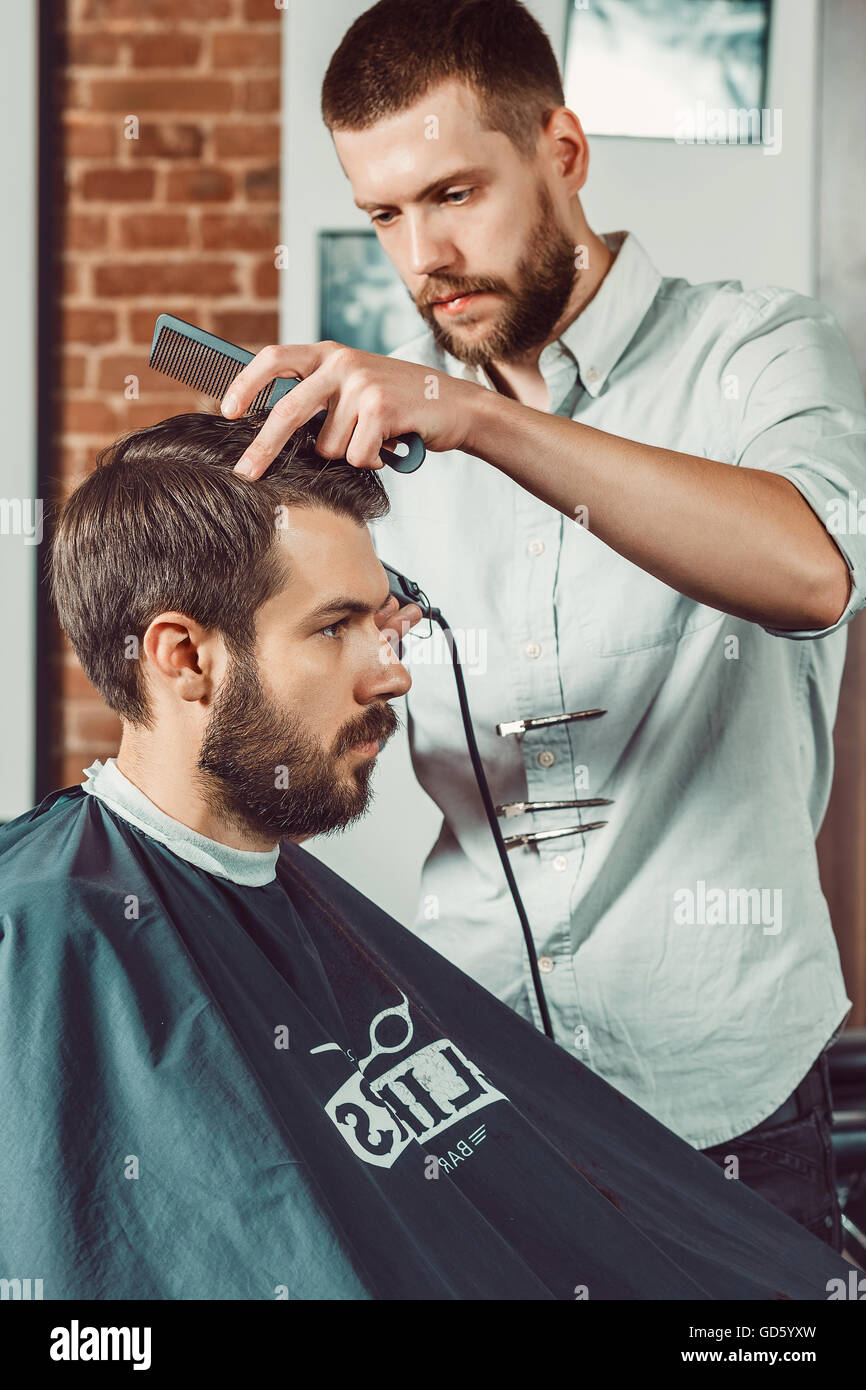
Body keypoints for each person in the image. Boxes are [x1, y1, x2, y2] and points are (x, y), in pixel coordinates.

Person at [217, 0, 866, 1250]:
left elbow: (814, 571)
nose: (422, 259)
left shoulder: (759, 350)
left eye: (453, 193)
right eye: (385, 215)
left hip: (723, 1111)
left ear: (560, 150)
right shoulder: (378, 439)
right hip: (482, 1094)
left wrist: (480, 423)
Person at [0, 411, 852, 1300]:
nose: (392, 671)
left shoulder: (291, 898)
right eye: (333, 628)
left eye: (382, 619)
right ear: (185, 658)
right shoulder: (37, 931)